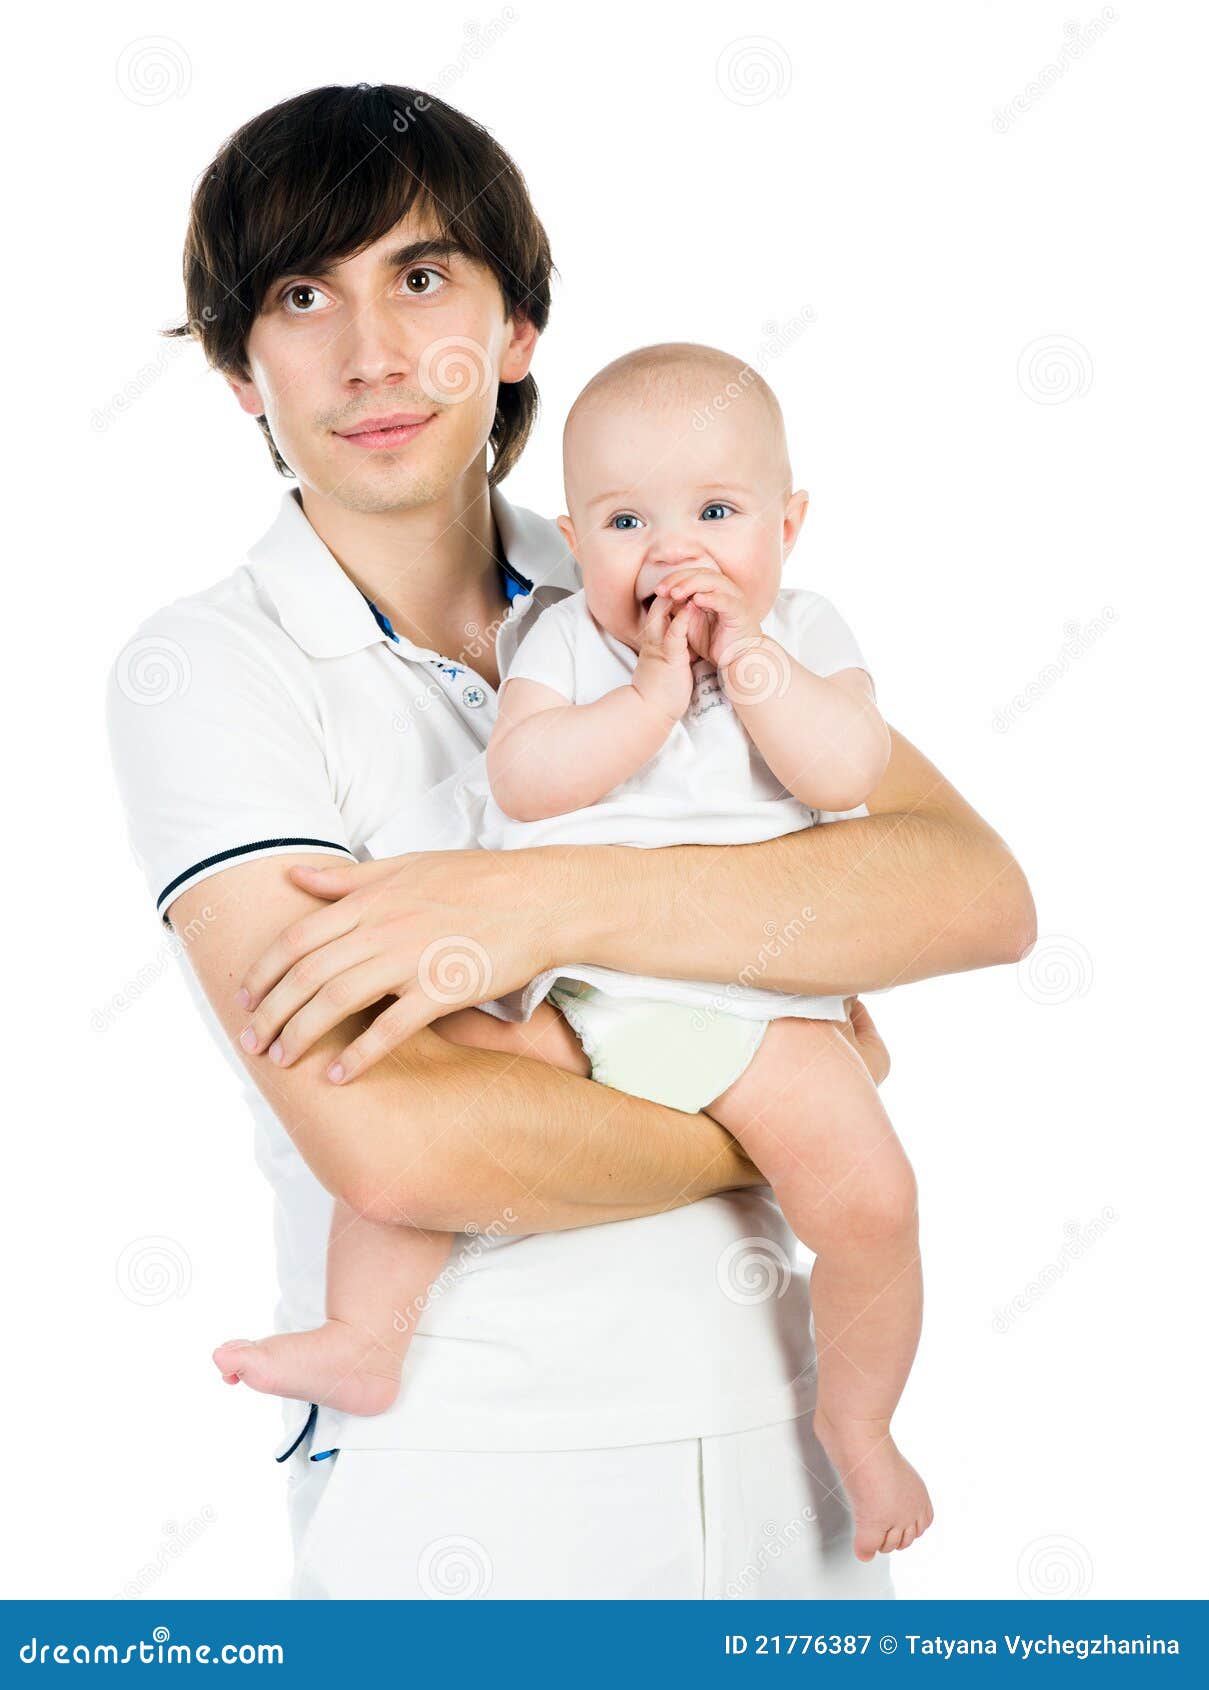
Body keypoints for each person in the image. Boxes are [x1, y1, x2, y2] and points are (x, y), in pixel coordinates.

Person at [107, 83, 1035, 1600]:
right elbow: (401, 1142)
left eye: (420, 278)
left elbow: (975, 893)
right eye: (298, 296)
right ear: (237, 367)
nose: (372, 353)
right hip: (476, 1485)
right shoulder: (216, 669)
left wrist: (539, 904)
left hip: (784, 1467)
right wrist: (792, 1110)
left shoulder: (659, 556)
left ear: (520, 325)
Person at [213, 341, 931, 1564]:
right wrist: (651, 697)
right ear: (573, 535)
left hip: (760, 1007)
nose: (674, 549)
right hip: (601, 996)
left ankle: (859, 1421)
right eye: (625, 520)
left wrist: (749, 665)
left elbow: (847, 771)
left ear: (790, 524)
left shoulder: (806, 631)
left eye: (717, 513)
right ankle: (365, 1338)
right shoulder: (565, 642)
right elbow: (528, 780)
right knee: (406, 1089)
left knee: (874, 1204)